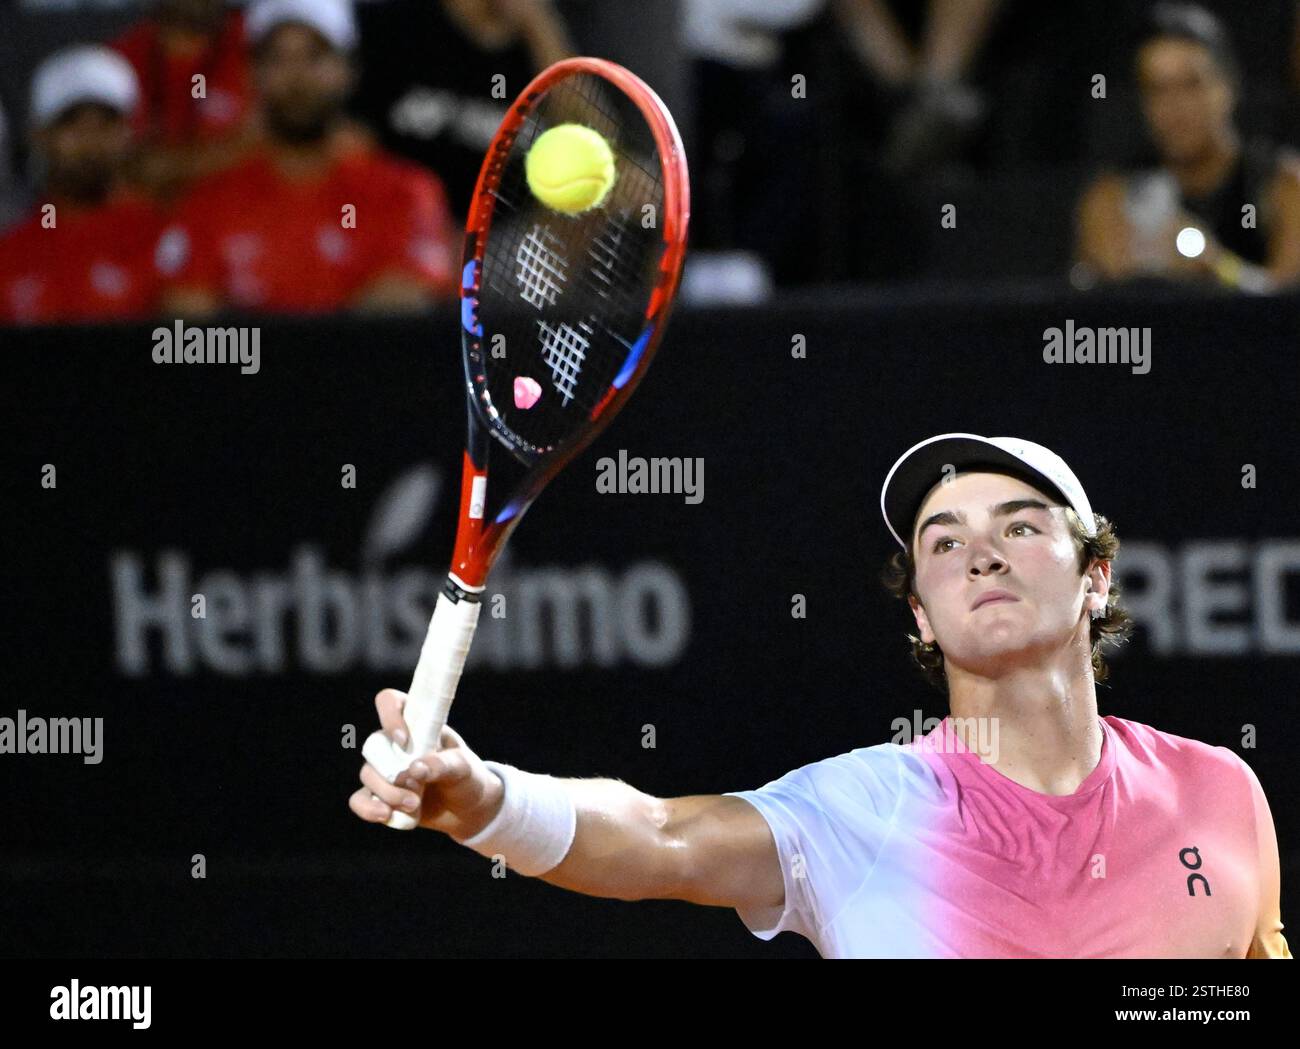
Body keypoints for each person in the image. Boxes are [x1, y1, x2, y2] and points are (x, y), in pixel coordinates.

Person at [348, 432, 1291, 959]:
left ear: (1096, 578)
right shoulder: (861, 810)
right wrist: (486, 800)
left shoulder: (1220, 792)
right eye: (944, 542)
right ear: (922, 615)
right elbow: (659, 835)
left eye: (1020, 526)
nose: (982, 554)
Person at [157, 0, 458, 316]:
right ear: (251, 74)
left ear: (349, 69)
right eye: (278, 58)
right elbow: (188, 316)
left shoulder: (404, 192)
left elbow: (403, 301)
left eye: (315, 56)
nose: (296, 78)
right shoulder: (210, 201)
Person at [1075, 2, 1300, 293]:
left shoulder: (1283, 188)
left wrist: (1218, 268)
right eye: (1157, 89)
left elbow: (1286, 303)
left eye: (1191, 85)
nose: (1174, 108)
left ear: (1226, 87)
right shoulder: (1111, 198)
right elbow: (1090, 306)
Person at [352, 0, 574, 221]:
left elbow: (585, 147)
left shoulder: (542, 45)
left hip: (508, 232)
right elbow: (348, 145)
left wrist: (542, 35)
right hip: (396, 220)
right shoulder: (389, 27)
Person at [0, 46, 165, 325]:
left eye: (105, 125)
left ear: (130, 134)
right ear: (40, 135)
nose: (90, 143)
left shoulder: (162, 237)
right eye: (72, 125)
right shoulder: (11, 252)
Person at [112, 0, 257, 200]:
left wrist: (174, 166)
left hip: (246, 209)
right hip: (150, 213)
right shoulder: (118, 63)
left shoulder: (260, 44)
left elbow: (273, 141)